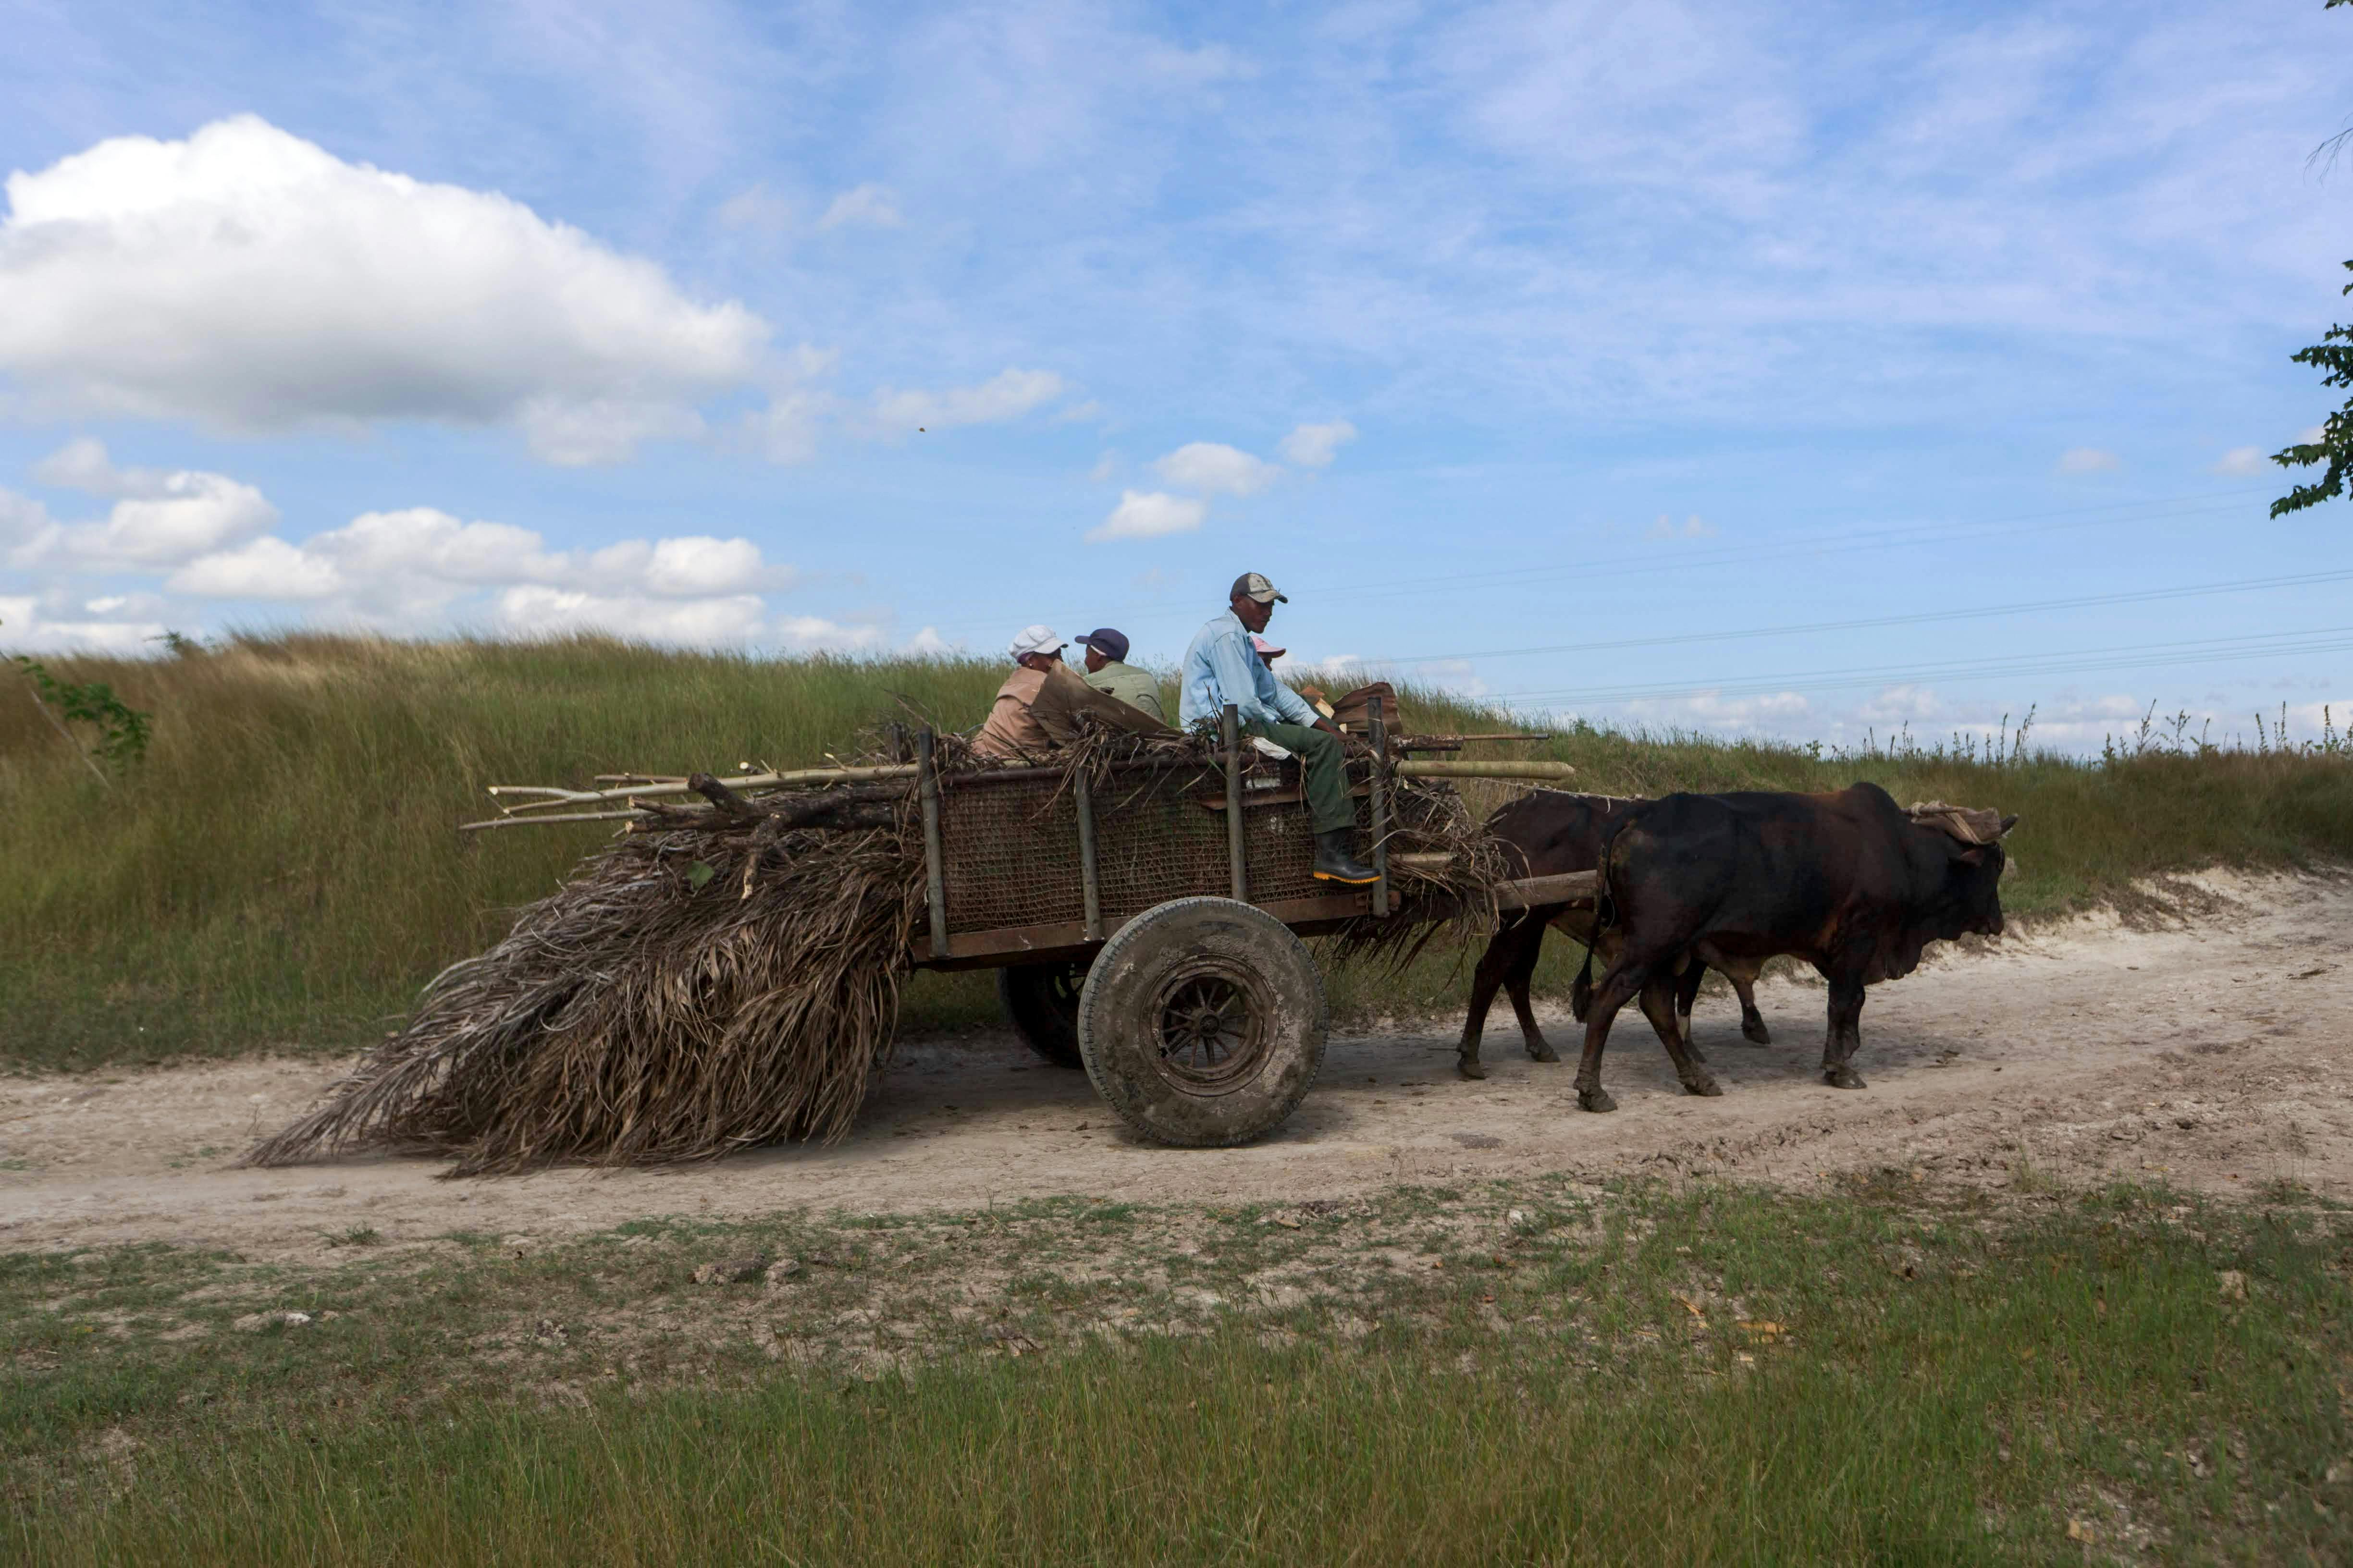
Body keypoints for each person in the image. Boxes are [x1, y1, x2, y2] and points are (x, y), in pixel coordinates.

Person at [1179, 573, 1378, 885]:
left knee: (1318, 732)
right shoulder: (1226, 635)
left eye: (1271, 606)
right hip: (1227, 728)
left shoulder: (1240, 638)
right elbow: (1243, 701)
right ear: (1237, 602)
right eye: (1261, 605)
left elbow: (1275, 692)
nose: (1268, 613)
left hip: (1245, 720)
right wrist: (1318, 735)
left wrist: (1324, 725)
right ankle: (1331, 856)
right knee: (1323, 747)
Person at [973, 625, 1065, 760]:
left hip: (981, 754)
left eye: (1059, 654)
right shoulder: (1046, 685)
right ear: (1030, 660)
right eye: (1051, 655)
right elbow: (1070, 734)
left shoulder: (1010, 683)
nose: (1060, 660)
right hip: (1011, 762)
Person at [1076, 627, 1164, 722]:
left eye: (1087, 655)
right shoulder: (1147, 676)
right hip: (1158, 735)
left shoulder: (1090, 683)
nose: (1085, 661)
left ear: (1098, 656)